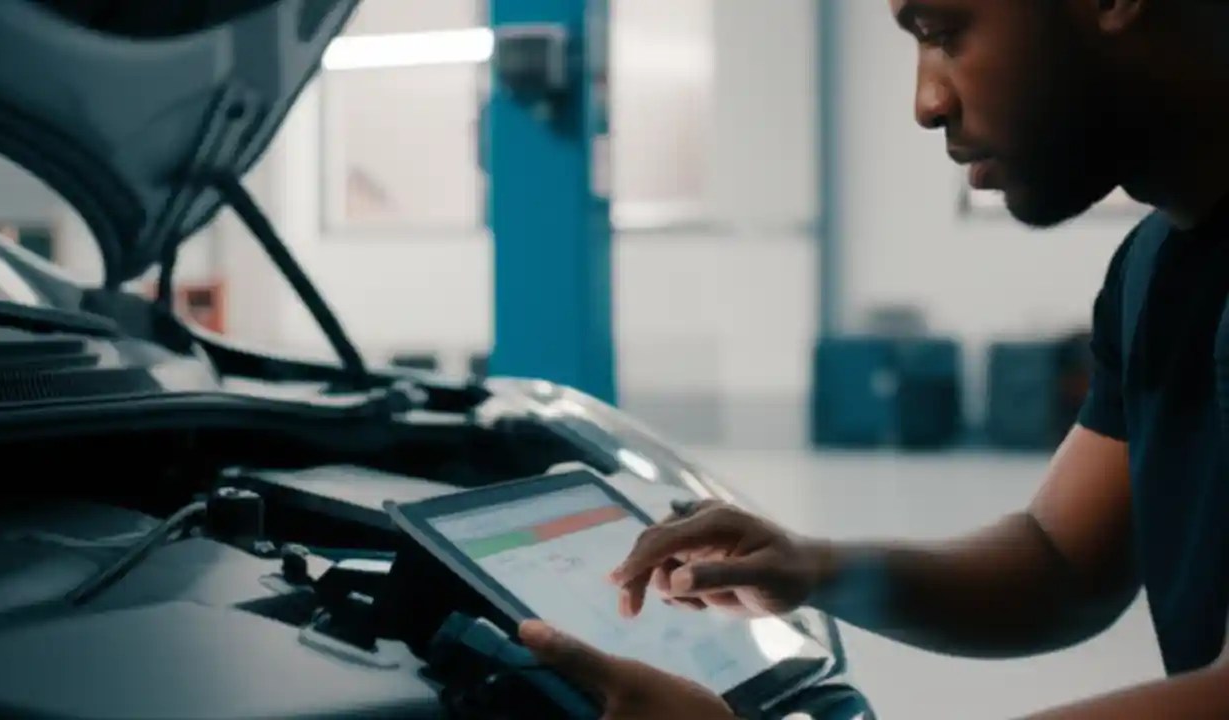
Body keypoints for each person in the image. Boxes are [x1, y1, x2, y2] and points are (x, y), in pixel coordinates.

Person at [517, 0, 1229, 717]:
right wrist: (812, 569)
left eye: (944, 33)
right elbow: (1063, 563)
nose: (927, 103)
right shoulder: (1158, 269)